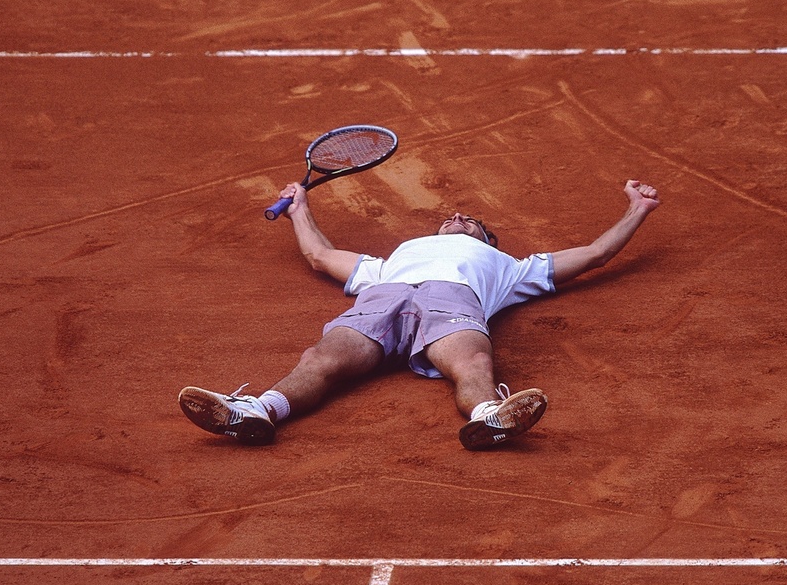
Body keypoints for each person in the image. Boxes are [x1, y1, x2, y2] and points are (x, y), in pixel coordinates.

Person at [179, 178, 661, 450]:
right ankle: (255, 412)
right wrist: (299, 209)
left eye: (471, 221)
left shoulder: (511, 268)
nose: (457, 217)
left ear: (487, 241)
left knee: (472, 364)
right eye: (451, 218)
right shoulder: (391, 260)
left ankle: (490, 416)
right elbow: (321, 257)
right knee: (319, 359)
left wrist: (637, 208)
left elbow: (596, 252)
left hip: (454, 301)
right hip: (383, 297)